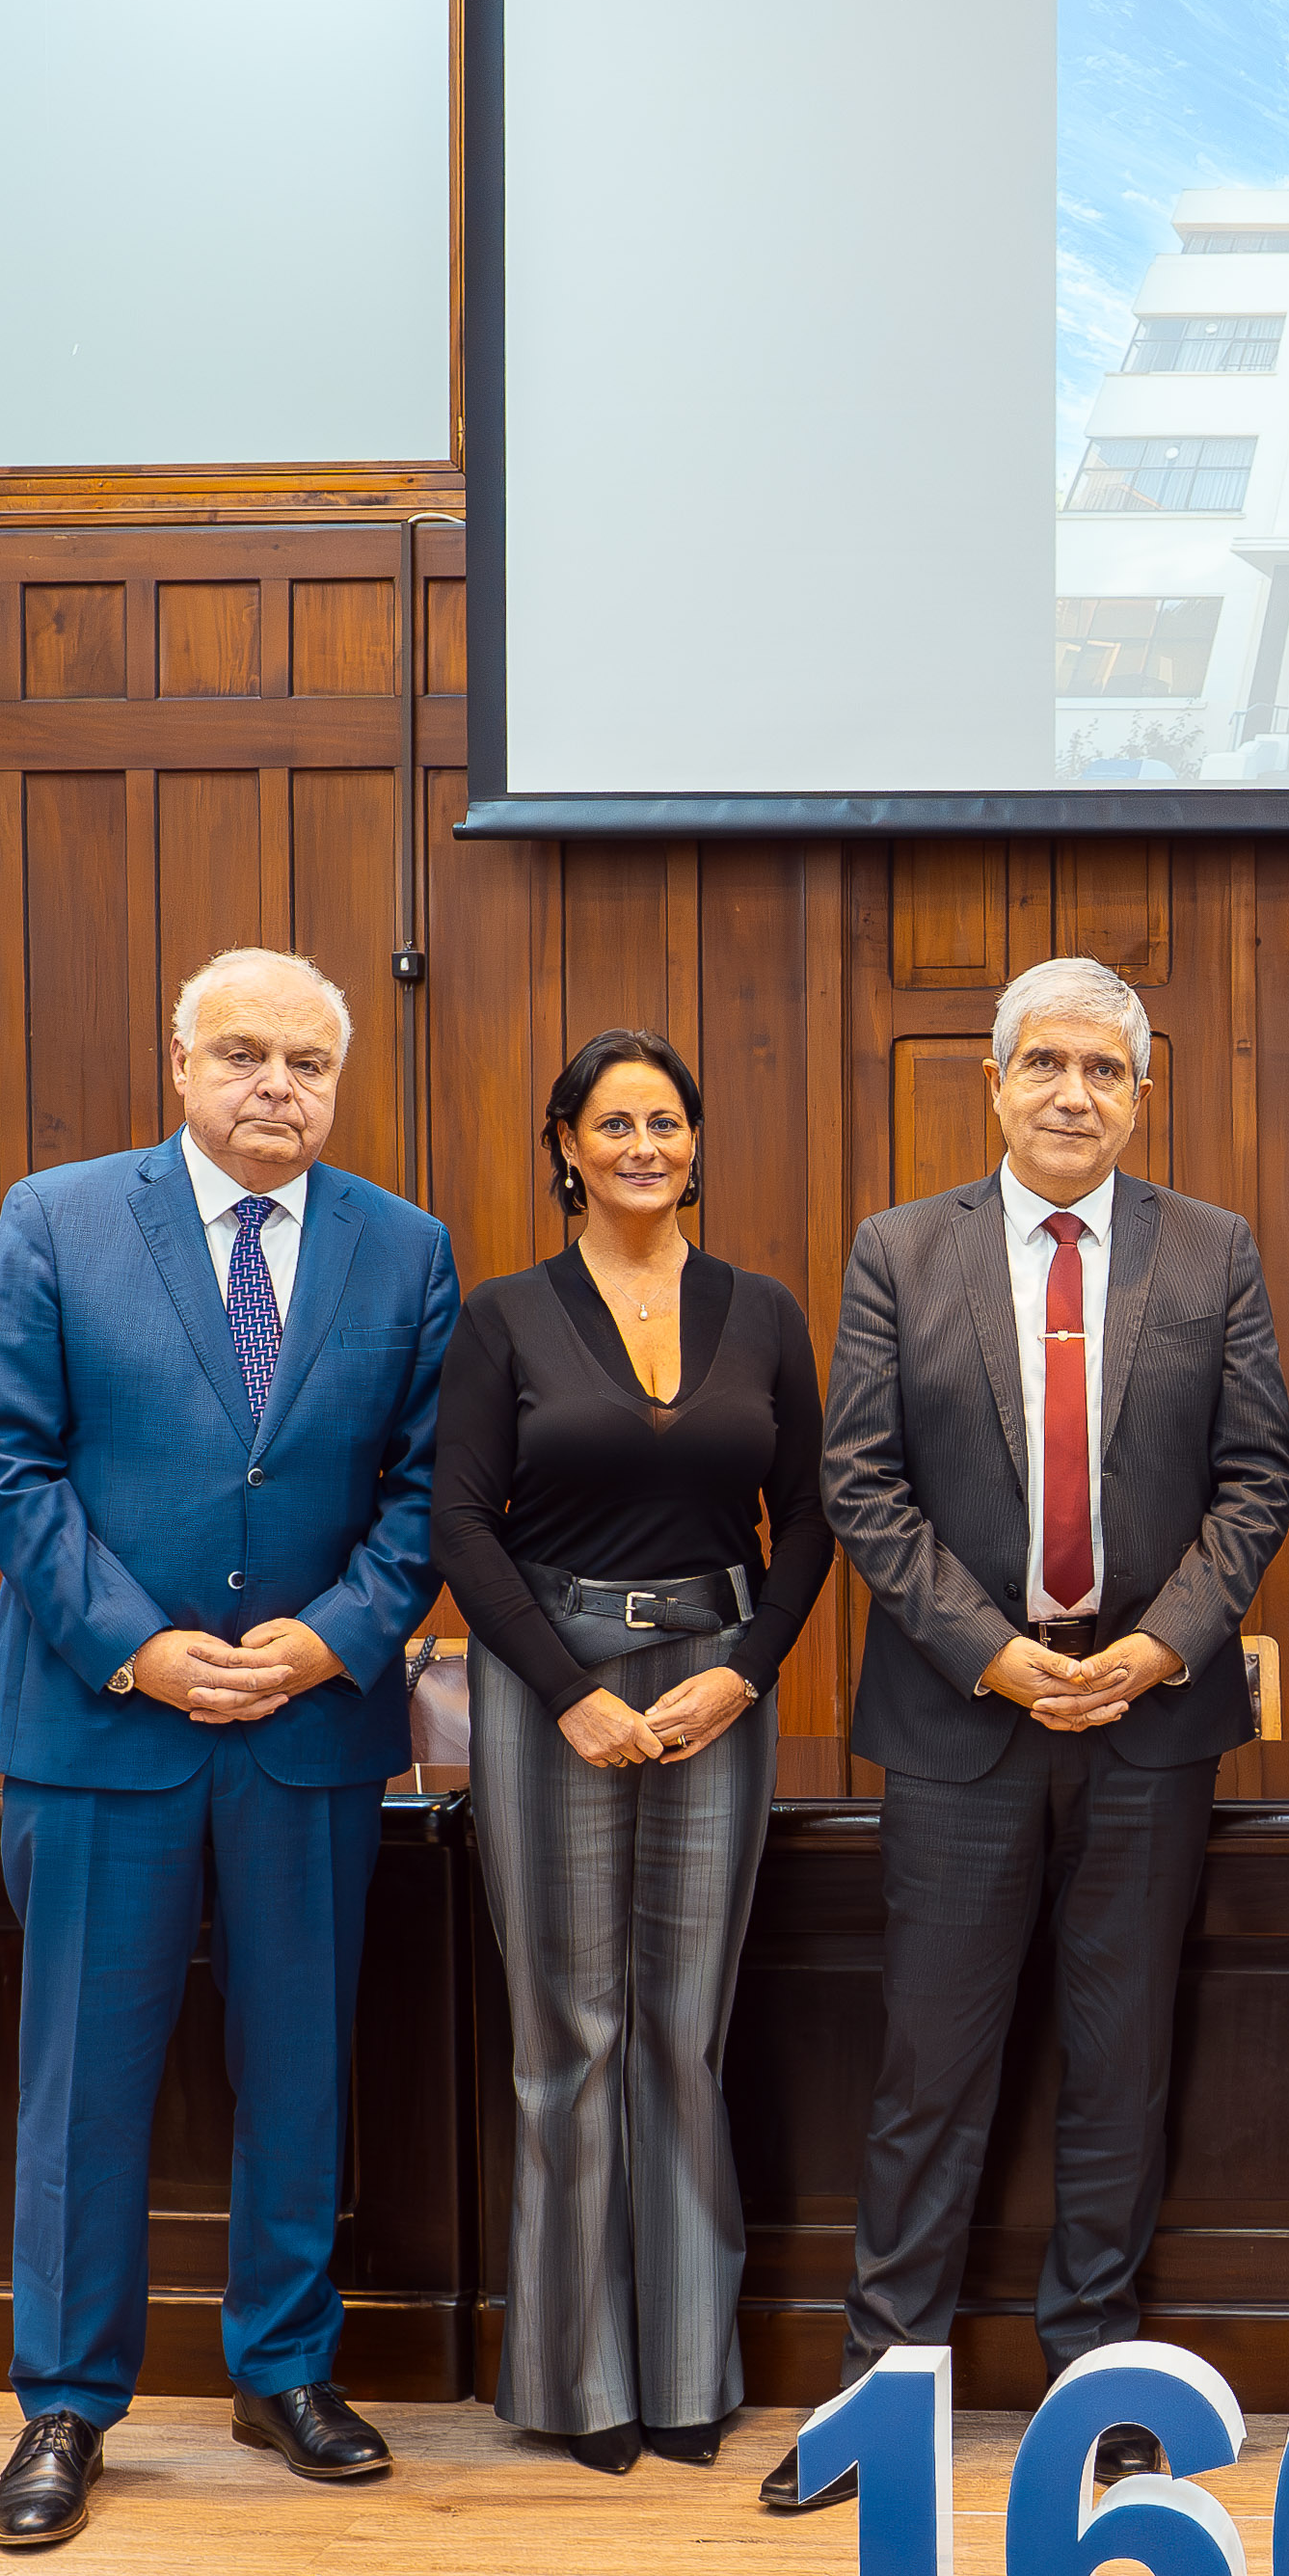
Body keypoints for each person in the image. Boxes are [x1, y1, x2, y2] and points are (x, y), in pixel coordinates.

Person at [0, 946, 456, 2552]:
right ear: (177, 1060)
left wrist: (329, 1637)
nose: (275, 1087)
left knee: (298, 2066)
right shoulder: (59, 1217)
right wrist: (141, 1647)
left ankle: (285, 2367)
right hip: (106, 1724)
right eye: (243, 1053)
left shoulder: (408, 1249)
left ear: (340, 1083)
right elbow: (6, 1460)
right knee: (85, 2084)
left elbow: (427, 1491)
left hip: (307, 1728)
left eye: (307, 1063)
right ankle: (64, 2401)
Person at [790, 955, 1289, 2497]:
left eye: (1106, 1069)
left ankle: (1098, 2387)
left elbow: (1257, 1479)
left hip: (1150, 1718)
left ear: (1142, 1093)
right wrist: (996, 1657)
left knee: (1118, 2062)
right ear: (995, 1083)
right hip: (963, 1721)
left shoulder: (1211, 1250)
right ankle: (886, 2395)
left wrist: (1151, 1651)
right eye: (1046, 1065)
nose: (1075, 1092)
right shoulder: (898, 1248)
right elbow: (859, 1483)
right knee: (930, 2067)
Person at [431, 1031, 831, 2476]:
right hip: (552, 1689)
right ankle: (576, 2380)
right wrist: (561, 1693)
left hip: (716, 1685)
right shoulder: (505, 1316)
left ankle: (684, 2374)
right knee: (569, 2038)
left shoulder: (763, 1309)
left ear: (694, 1139)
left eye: (668, 1118)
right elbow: (460, 1527)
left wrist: (746, 1671)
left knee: (680, 2030)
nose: (645, 1144)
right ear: (565, 1146)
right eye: (616, 1123)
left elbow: (814, 1513)